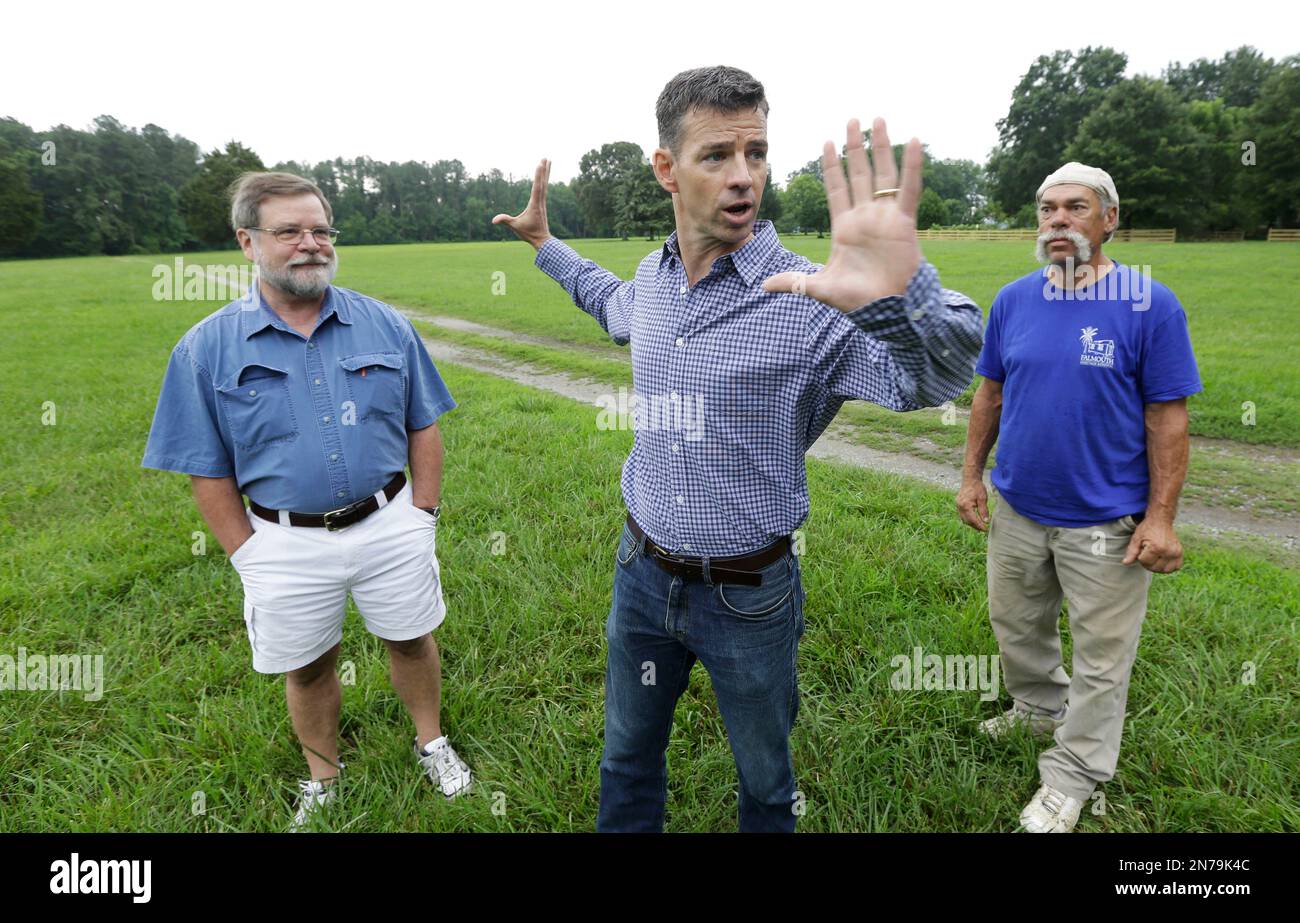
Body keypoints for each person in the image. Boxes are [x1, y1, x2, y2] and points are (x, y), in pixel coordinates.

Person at [495, 65, 982, 831]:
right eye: (717, 155)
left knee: (764, 780)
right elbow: (608, 302)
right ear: (666, 169)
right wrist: (546, 244)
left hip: (749, 595)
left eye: (756, 153)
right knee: (625, 758)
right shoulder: (654, 280)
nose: (743, 175)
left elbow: (933, 378)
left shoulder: (806, 296)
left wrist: (904, 291)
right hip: (641, 575)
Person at [142, 171, 472, 830]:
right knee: (309, 664)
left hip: (389, 521)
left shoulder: (383, 323)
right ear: (248, 241)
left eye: (321, 230)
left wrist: (422, 514)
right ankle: (324, 773)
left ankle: (431, 741)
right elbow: (205, 468)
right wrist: (249, 553)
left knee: (411, 639)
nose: (310, 244)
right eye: (289, 231)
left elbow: (424, 422)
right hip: (282, 541)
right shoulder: (205, 348)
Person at [956, 162, 1201, 832]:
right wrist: (972, 475)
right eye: (1046, 208)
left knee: (1102, 659)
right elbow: (991, 393)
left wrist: (1160, 517)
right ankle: (1036, 706)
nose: (1057, 220)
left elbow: (1168, 417)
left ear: (1109, 218)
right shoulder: (1013, 299)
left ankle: (1073, 775)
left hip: (1107, 521)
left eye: (1075, 207)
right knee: (1017, 625)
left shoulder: (1150, 302)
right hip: (1018, 508)